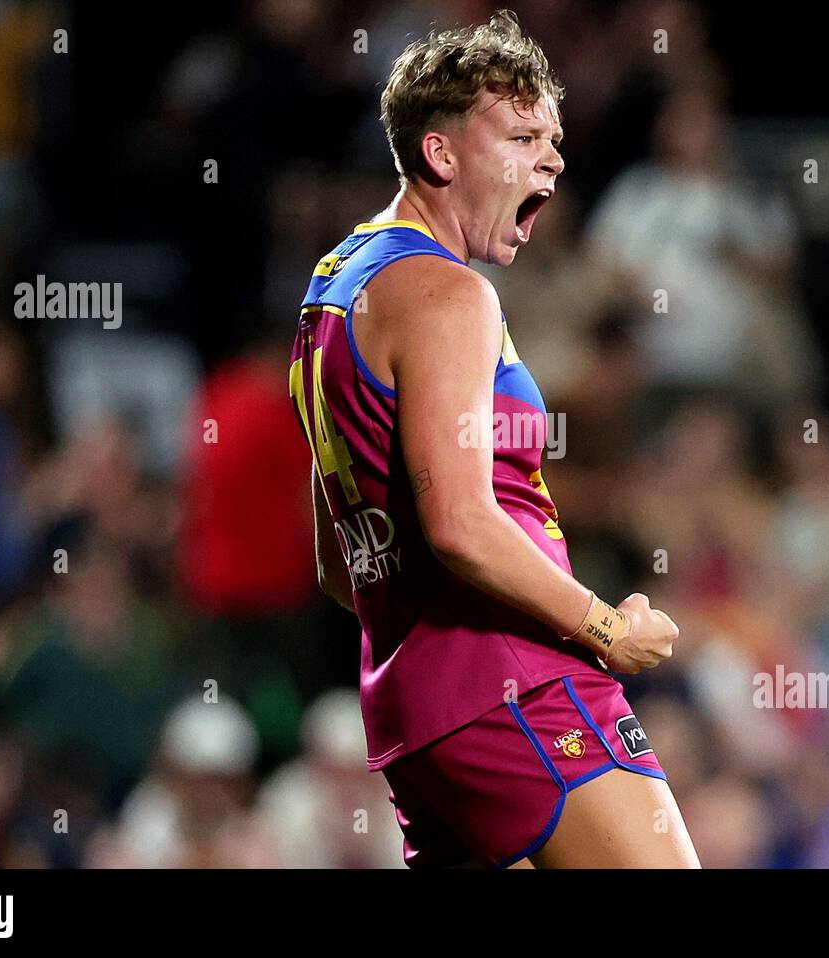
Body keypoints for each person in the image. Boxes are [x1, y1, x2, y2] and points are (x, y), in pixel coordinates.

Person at [289, 10, 699, 868]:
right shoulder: (446, 294)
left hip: (411, 712)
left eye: (552, 138)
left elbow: (338, 564)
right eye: (520, 136)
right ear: (441, 154)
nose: (551, 158)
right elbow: (461, 524)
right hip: (513, 681)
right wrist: (602, 628)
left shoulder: (330, 293)